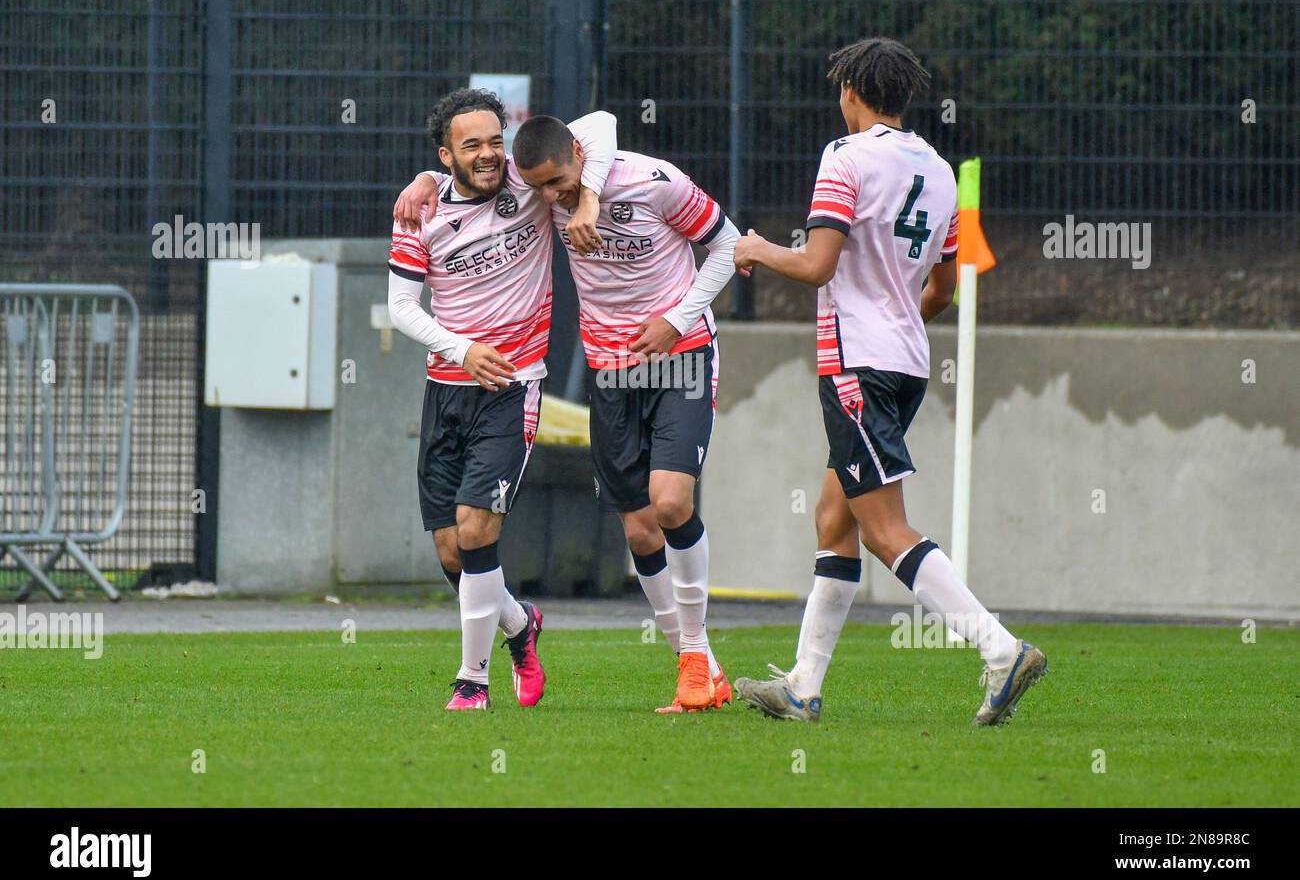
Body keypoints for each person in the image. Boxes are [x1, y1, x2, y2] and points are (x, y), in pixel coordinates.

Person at [731, 38, 1048, 726]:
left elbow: (817, 266)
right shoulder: (936, 169)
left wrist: (756, 249)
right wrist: (898, 316)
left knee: (882, 529)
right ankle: (803, 687)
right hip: (905, 362)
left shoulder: (845, 159)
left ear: (851, 90)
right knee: (833, 517)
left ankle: (999, 648)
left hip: (854, 363)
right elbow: (942, 287)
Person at [386, 88, 616, 711]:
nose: (489, 155)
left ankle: (472, 682)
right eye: (471, 146)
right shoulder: (421, 212)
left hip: (514, 390)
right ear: (446, 154)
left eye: (494, 140)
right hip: (446, 391)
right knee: (450, 551)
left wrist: (589, 193)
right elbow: (401, 308)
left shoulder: (527, 181)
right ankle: (520, 624)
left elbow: (600, 123)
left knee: (476, 529)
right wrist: (460, 350)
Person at [510, 114, 740, 712]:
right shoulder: (543, 193)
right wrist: (424, 182)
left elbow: (728, 246)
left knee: (670, 502)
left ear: (580, 156)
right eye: (539, 188)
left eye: (559, 182)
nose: (550, 197)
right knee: (638, 528)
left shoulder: (653, 181)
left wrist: (677, 319)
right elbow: (472, 173)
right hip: (611, 372)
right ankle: (702, 668)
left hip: (680, 357)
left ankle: (693, 655)